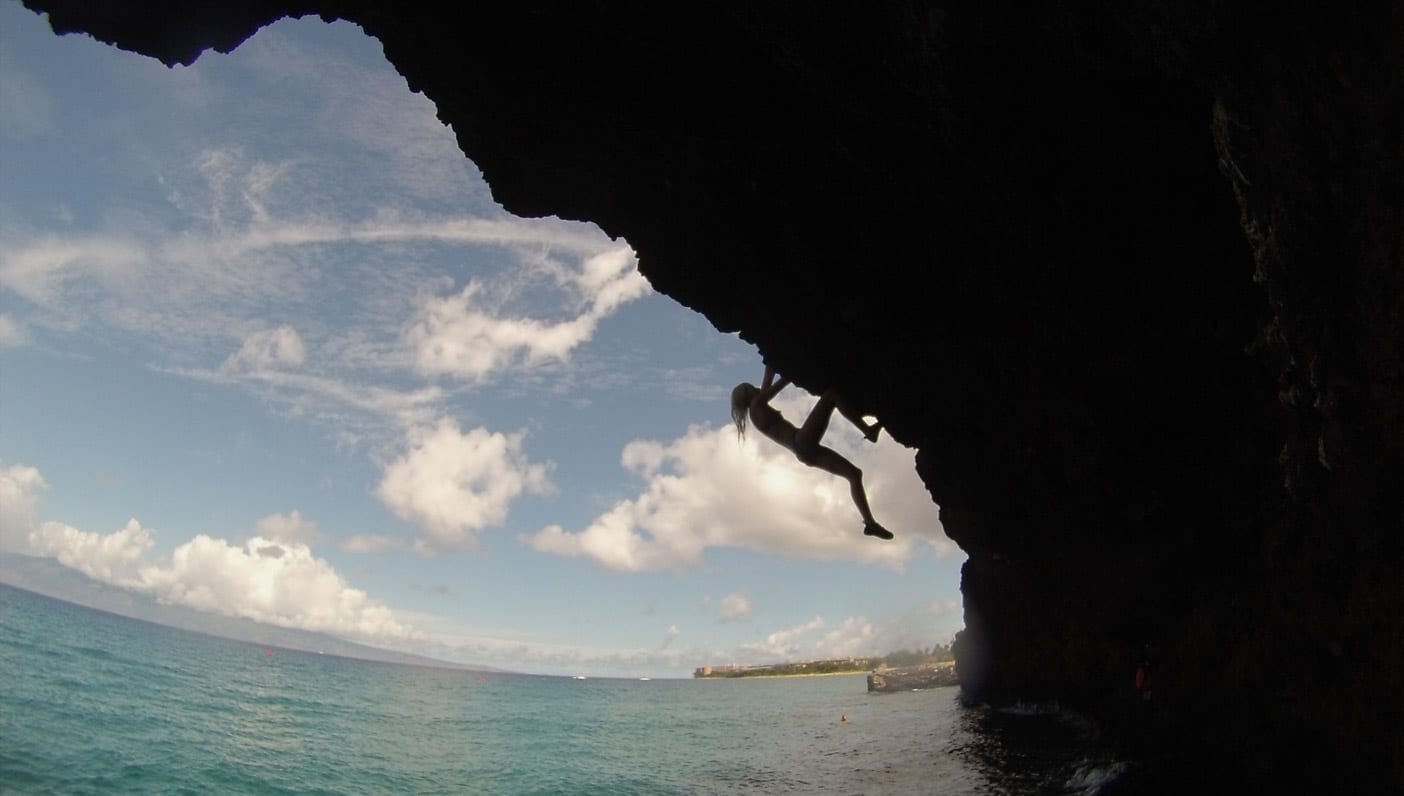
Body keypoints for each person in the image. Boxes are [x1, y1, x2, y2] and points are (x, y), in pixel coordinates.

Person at [731, 365, 894, 540]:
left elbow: (766, 385)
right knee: (831, 394)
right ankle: (868, 431)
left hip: (802, 451)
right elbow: (778, 383)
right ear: (747, 396)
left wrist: (770, 367)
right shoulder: (757, 404)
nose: (755, 388)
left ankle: (870, 524)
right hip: (801, 441)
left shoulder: (757, 410)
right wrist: (780, 368)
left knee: (854, 474)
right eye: (750, 388)